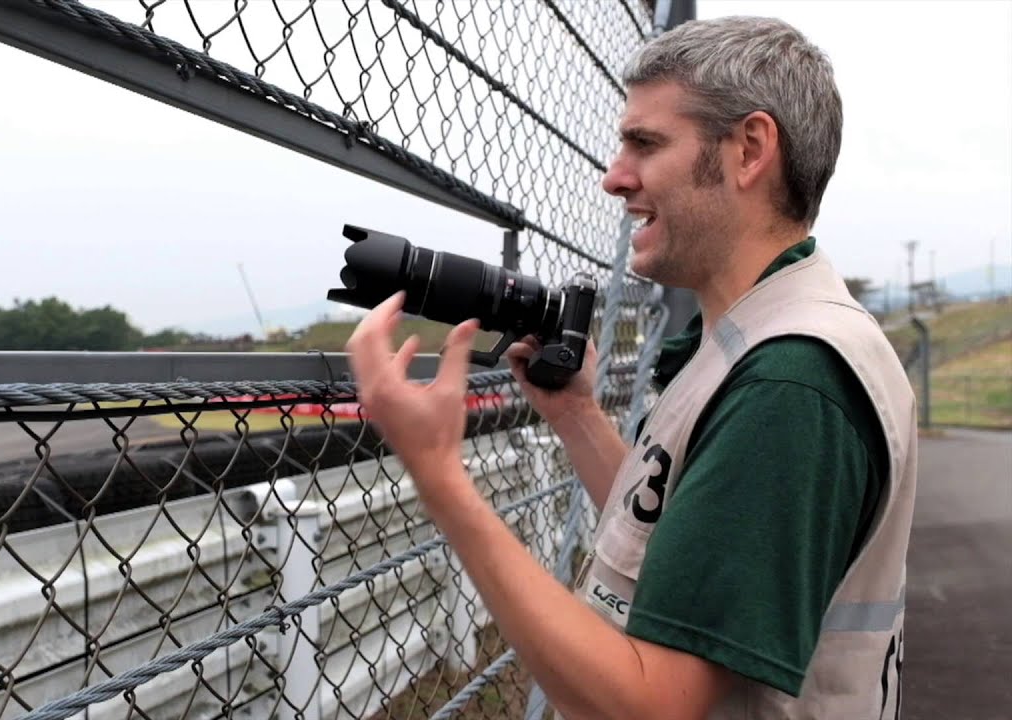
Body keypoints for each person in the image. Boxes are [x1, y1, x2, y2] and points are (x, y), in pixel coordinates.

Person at [344, 15, 917, 720]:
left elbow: (652, 706)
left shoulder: (790, 382)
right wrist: (578, 414)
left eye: (645, 144)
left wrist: (438, 474)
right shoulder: (762, 333)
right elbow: (694, 537)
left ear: (750, 150)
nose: (615, 178)